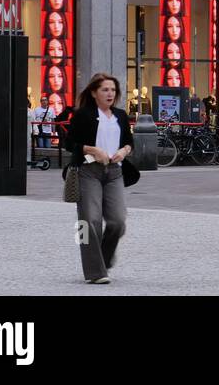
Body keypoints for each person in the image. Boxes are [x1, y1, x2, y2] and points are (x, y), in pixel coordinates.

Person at [67, 73, 133, 284]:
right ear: (94, 93)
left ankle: (103, 258)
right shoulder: (82, 115)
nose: (110, 93)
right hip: (88, 171)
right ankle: (95, 272)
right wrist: (92, 149)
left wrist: (124, 151)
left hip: (115, 172)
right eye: (105, 89)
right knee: (88, 222)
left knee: (118, 222)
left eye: (113, 90)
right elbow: (68, 143)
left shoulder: (120, 116)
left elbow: (129, 141)